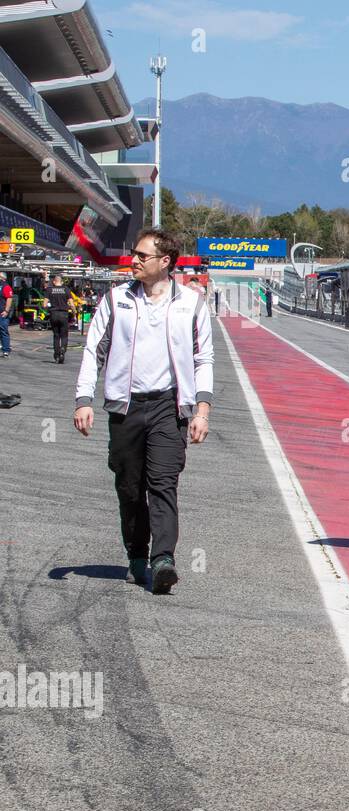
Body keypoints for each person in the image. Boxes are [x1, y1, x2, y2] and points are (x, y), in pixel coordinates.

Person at [73, 229, 213, 594]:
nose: (133, 260)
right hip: (125, 408)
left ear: (165, 261)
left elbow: (203, 359)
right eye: (134, 254)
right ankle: (137, 553)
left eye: (142, 255)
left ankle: (163, 558)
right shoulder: (116, 299)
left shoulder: (192, 302)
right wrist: (83, 399)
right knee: (130, 488)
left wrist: (202, 410)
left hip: (169, 407)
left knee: (163, 483)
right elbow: (93, 350)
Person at [47, 274, 73, 363]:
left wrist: (48, 308)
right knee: (64, 335)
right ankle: (63, 350)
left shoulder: (49, 290)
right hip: (64, 314)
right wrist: (73, 311)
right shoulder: (66, 289)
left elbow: (44, 303)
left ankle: (56, 353)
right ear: (61, 282)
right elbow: (71, 303)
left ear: (54, 282)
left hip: (53, 314)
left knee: (56, 335)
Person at [0, 274, 12, 357]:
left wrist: (6, 310)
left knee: (3, 330)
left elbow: (9, 298)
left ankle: (6, 349)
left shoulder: (6, 286)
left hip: (2, 313)